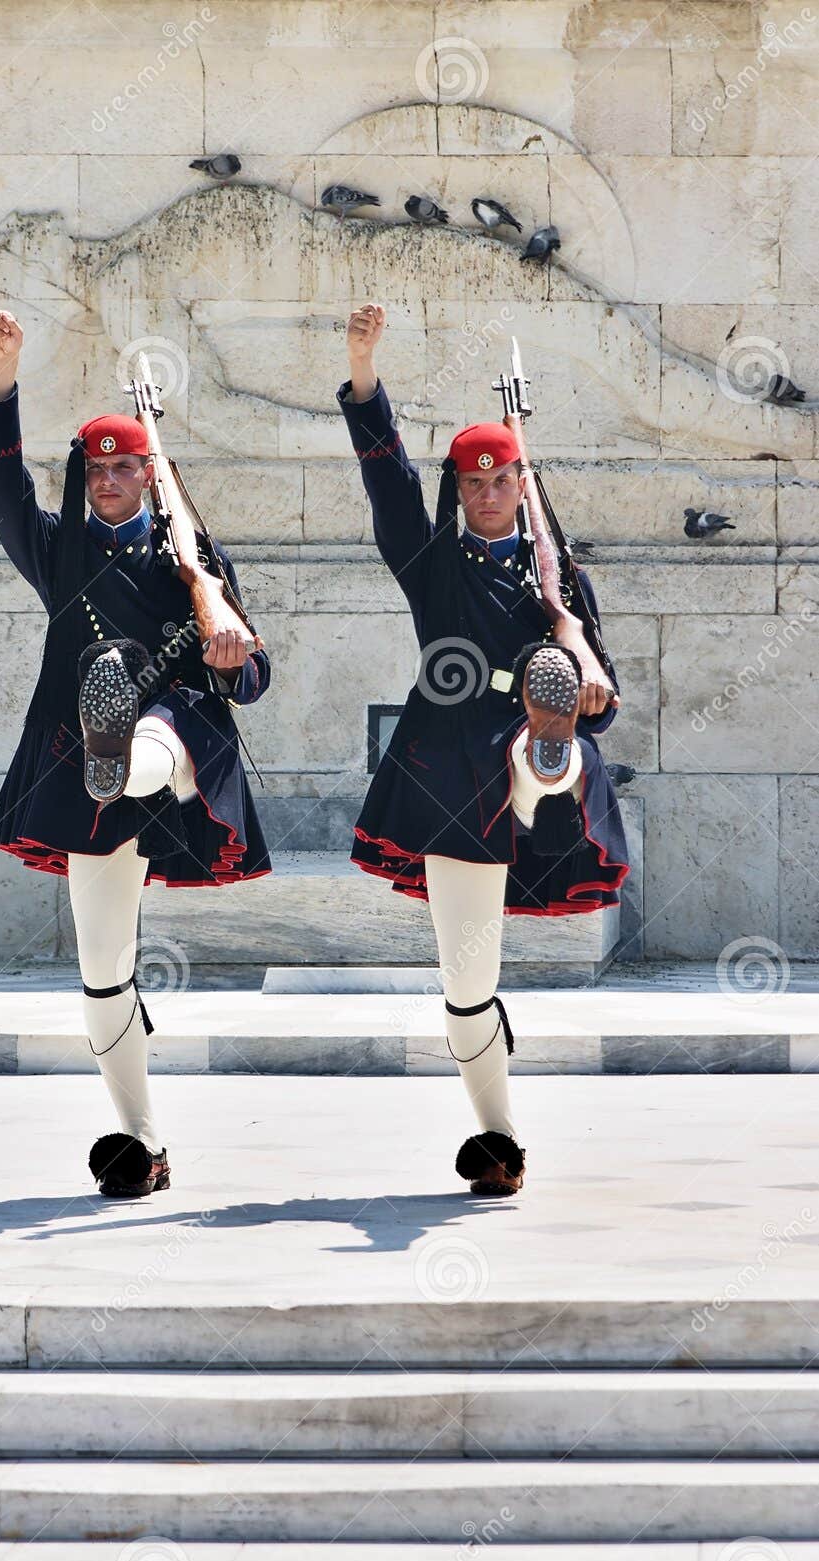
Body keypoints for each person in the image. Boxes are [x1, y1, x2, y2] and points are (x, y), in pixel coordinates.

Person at [0, 309, 272, 1199]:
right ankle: (139, 1138)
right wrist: (2, 378)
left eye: (123, 467)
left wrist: (227, 642)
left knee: (153, 722)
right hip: (83, 775)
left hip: (177, 749)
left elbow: (253, 681)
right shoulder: (59, 553)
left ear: (151, 473)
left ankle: (125, 749)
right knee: (103, 969)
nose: (107, 480)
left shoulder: (196, 557)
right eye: (95, 469)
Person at [339, 303, 629, 1198]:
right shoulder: (429, 559)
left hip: (539, 759)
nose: (488, 493)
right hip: (449, 776)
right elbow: (387, 478)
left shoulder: (559, 580)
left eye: (502, 479)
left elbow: (608, 700)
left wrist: (582, 673)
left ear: (520, 486)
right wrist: (362, 372)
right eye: (473, 482)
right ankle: (496, 1136)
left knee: (560, 725)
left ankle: (546, 753)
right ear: (459, 492)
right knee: (466, 981)